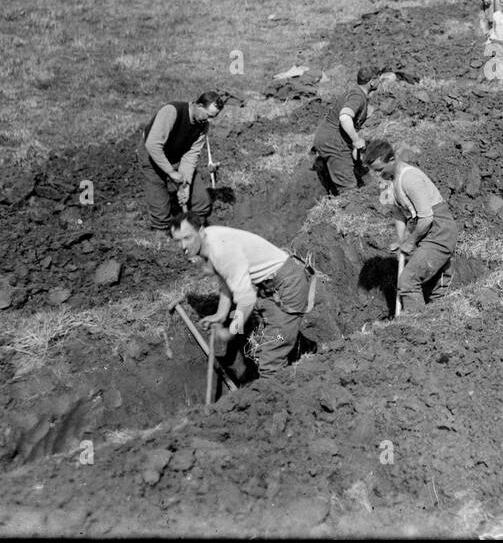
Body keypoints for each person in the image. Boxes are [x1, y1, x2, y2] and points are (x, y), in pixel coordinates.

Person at [173, 214, 315, 377]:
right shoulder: (209, 241)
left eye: (187, 238)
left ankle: (279, 397)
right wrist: (220, 314)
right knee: (268, 340)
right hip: (269, 287)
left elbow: (247, 300)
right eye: (177, 240)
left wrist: (231, 332)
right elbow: (226, 278)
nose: (182, 245)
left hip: (287, 286)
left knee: (270, 361)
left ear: (201, 231)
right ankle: (294, 348)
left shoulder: (221, 251)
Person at [363, 139, 458, 315]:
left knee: (408, 281)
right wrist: (401, 241)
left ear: (391, 160)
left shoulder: (410, 178)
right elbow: (399, 214)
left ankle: (414, 327)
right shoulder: (393, 180)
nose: (377, 175)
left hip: (439, 231)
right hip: (425, 233)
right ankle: (435, 320)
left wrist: (410, 242)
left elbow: (426, 218)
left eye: (379, 169)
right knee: (432, 284)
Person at [139, 91, 224, 230]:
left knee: (202, 202)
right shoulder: (172, 111)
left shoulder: (203, 125)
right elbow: (153, 144)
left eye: (213, 117)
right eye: (208, 115)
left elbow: (191, 155)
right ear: (199, 105)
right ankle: (163, 238)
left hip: (177, 155)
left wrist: (185, 186)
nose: (209, 120)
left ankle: (195, 229)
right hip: (152, 155)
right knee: (161, 216)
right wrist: (171, 172)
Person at [311, 67, 382, 195]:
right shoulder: (357, 97)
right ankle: (346, 210)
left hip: (331, 138)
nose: (380, 82)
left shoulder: (356, 92)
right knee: (349, 189)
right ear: (372, 82)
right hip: (333, 142)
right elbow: (344, 117)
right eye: (379, 79)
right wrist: (356, 140)